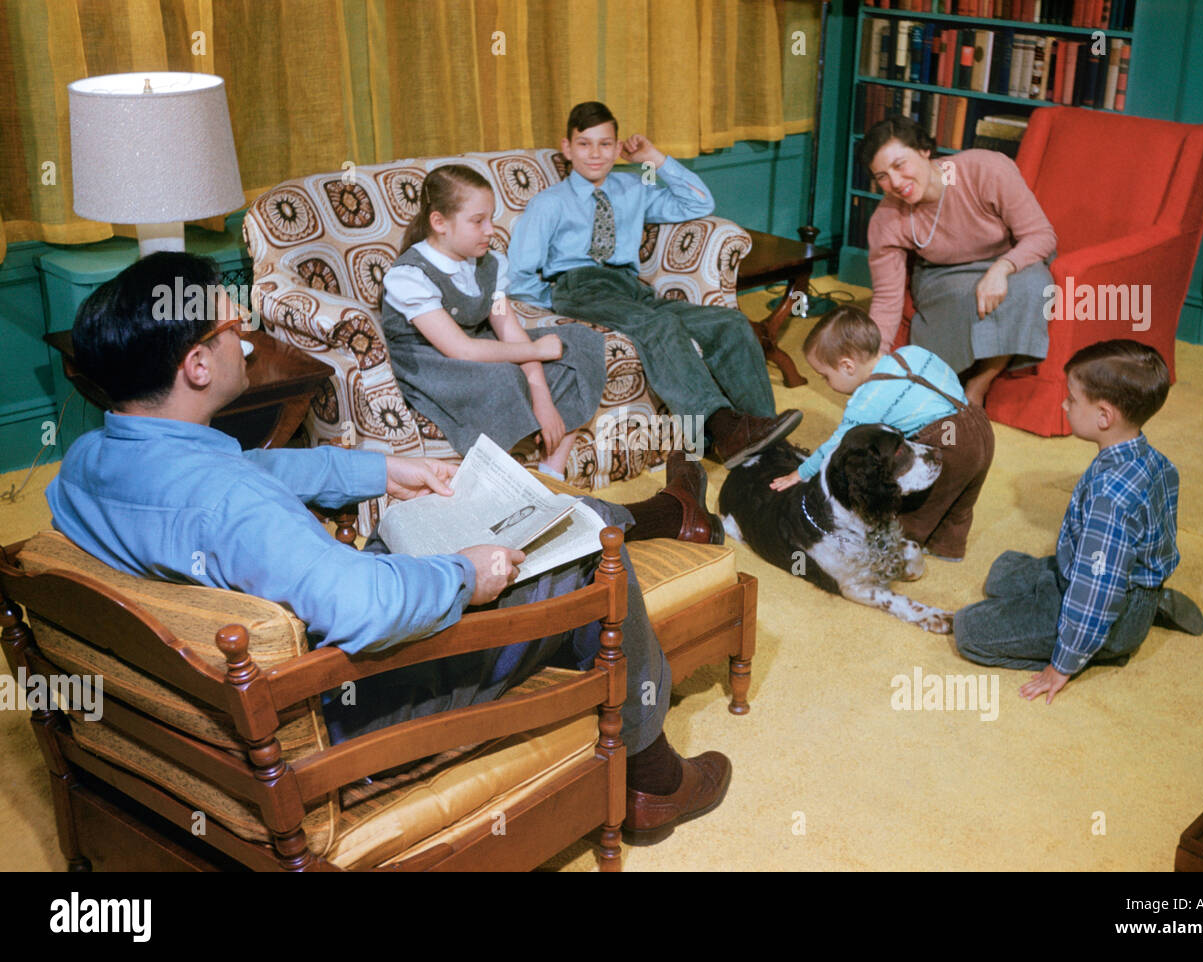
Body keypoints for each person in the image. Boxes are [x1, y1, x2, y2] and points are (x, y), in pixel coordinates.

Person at [45, 251, 732, 845]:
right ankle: (654, 777)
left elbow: (236, 478)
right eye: (233, 331)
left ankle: (667, 514)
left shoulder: (85, 465)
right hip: (345, 706)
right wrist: (467, 573)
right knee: (588, 557)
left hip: (235, 685)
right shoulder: (233, 508)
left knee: (517, 512)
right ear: (197, 365)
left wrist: (377, 471)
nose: (247, 346)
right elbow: (358, 601)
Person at [507, 100, 802, 469]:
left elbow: (697, 203)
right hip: (579, 287)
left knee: (730, 323)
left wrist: (654, 158)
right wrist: (556, 299)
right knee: (658, 326)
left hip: (632, 288)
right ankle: (721, 427)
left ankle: (765, 442)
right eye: (584, 144)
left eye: (604, 144)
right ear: (566, 148)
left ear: (617, 148)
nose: (595, 154)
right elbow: (518, 274)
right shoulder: (549, 204)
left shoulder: (635, 185)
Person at [953, 340, 1203, 703]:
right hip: (1097, 573)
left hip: (1105, 603)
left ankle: (1112, 642)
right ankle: (1148, 602)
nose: (1063, 404)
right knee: (1002, 571)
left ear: (1104, 416)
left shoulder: (1110, 499)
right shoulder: (1154, 460)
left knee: (969, 631)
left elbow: (1095, 587)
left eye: (1071, 399)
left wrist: (1064, 662)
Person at [381, 164, 605, 480]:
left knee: (578, 342)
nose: (490, 229)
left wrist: (541, 396)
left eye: (491, 218)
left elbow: (509, 330)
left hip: (477, 346)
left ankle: (552, 477)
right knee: (505, 380)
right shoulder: (410, 275)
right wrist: (538, 351)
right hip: (431, 363)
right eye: (478, 221)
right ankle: (500, 485)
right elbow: (462, 350)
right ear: (439, 222)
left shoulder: (488, 263)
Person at [770, 305, 994, 562]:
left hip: (947, 441)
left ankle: (898, 555)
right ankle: (947, 546)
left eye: (825, 376)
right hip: (979, 423)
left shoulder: (867, 400)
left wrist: (801, 472)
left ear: (847, 366)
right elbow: (947, 378)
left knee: (917, 504)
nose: (826, 384)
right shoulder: (913, 352)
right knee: (958, 500)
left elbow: (837, 446)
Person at [864, 114, 1058, 408]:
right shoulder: (887, 219)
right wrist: (874, 355)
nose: (895, 182)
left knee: (1035, 285)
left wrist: (1002, 268)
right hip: (942, 274)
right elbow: (887, 298)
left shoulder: (984, 169)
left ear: (923, 150)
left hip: (1009, 258)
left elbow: (1041, 235)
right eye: (881, 176)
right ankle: (945, 378)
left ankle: (979, 385)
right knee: (961, 298)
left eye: (899, 165)